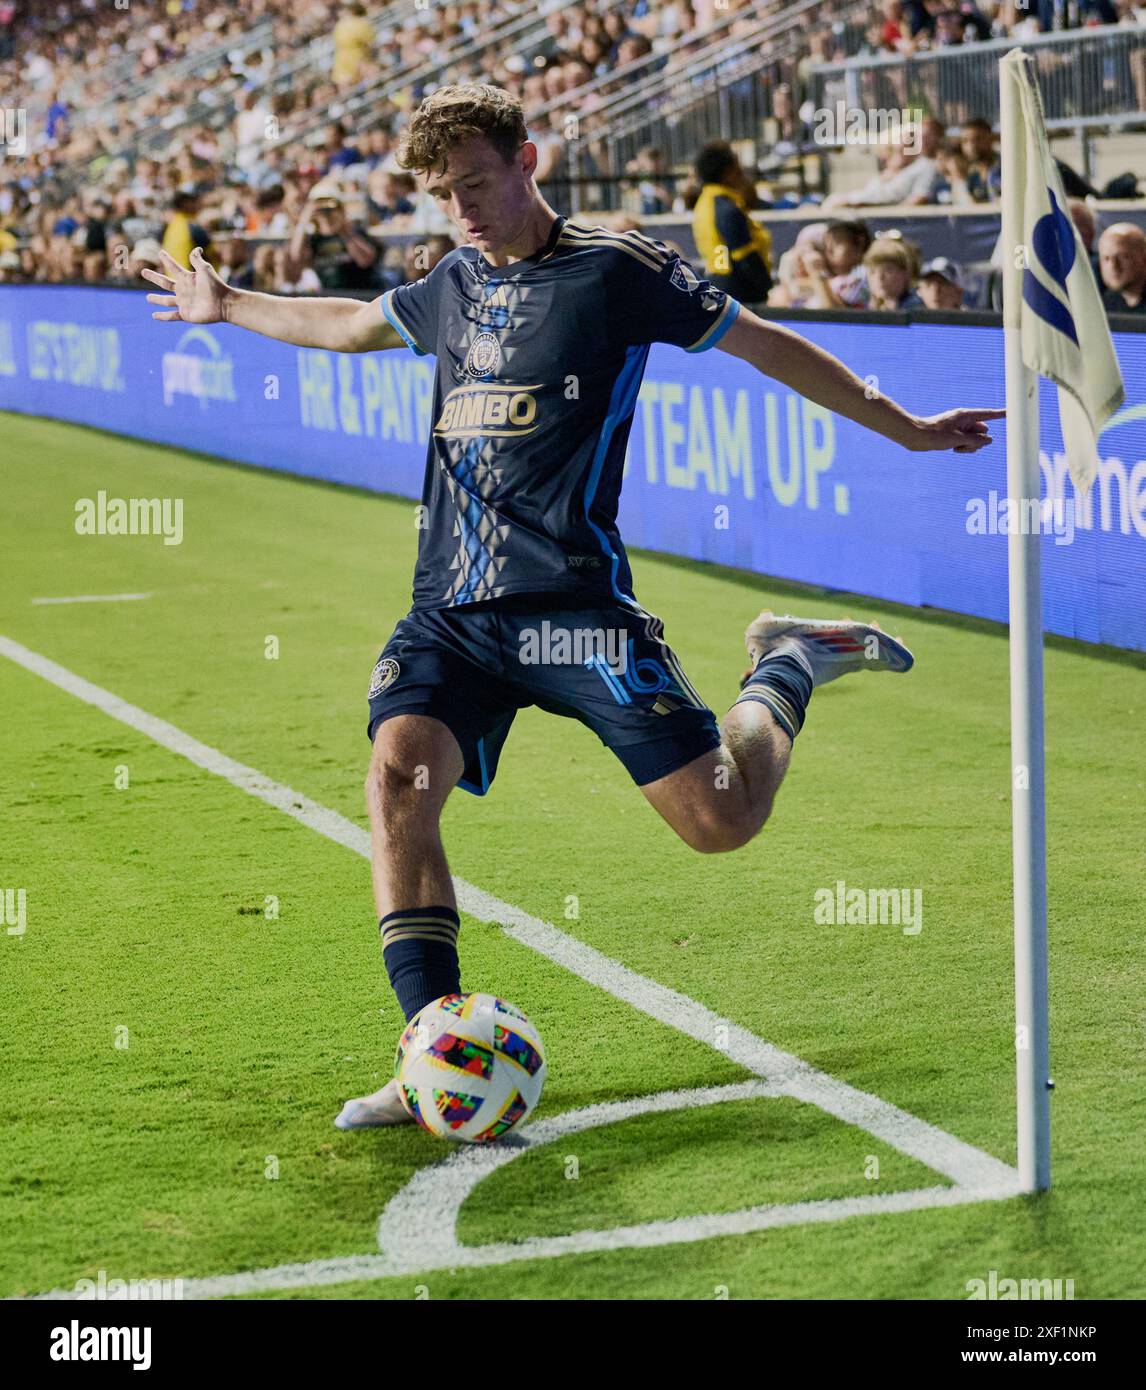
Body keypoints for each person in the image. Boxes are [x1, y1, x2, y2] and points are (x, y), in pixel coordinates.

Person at [141, 84, 1003, 1130]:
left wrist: (904, 426)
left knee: (721, 818)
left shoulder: (619, 270)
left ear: (528, 160)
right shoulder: (452, 280)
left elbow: (768, 344)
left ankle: (785, 661)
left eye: (474, 183)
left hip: (572, 608)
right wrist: (226, 305)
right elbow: (351, 322)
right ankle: (430, 1055)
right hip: (451, 608)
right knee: (398, 778)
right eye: (440, 192)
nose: (459, 207)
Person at [691, 140, 773, 309]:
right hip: (739, 292)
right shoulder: (727, 209)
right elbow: (745, 257)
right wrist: (768, 288)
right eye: (737, 166)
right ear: (728, 172)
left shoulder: (704, 202)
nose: (742, 172)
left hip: (718, 284)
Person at [1098, 222, 1146, 313]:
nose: (1114, 266)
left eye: (1122, 257)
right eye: (1106, 259)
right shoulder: (1107, 302)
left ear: (1144, 258)